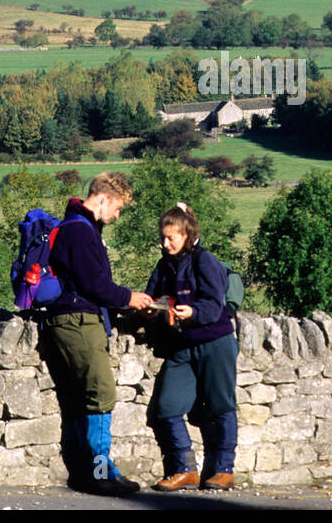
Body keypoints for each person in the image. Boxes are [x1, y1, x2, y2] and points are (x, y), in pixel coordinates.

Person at [40, 171, 153, 497]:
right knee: (101, 392)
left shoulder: (79, 227)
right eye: (117, 207)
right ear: (102, 199)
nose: (117, 215)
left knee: (82, 396)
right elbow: (93, 284)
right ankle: (99, 473)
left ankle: (95, 469)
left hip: (73, 318)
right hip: (77, 321)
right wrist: (128, 297)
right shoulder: (80, 232)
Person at [140, 202, 239, 491]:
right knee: (167, 407)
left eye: (171, 237)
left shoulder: (204, 260)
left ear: (187, 234)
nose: (164, 242)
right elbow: (152, 295)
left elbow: (214, 302)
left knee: (221, 405)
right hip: (182, 345)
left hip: (215, 342)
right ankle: (185, 469)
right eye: (162, 237)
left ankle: (223, 469)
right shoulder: (163, 265)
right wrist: (148, 309)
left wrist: (193, 313)